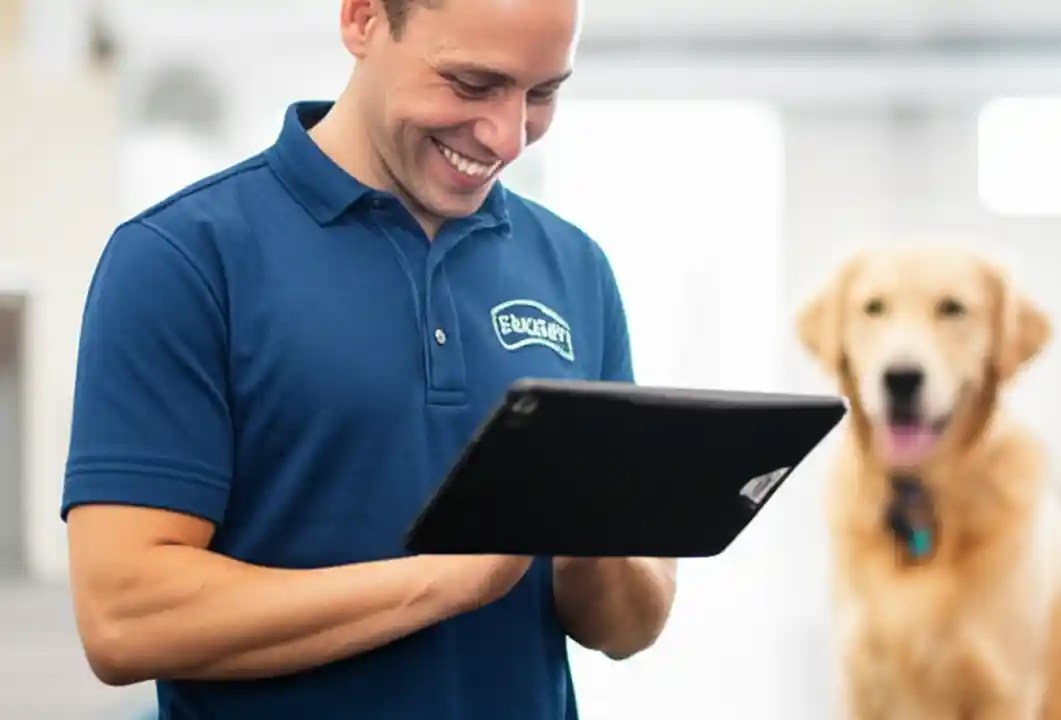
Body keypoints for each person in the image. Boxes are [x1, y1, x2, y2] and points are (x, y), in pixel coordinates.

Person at [60, 0, 677, 717]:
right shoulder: (183, 259)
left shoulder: (574, 267)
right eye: (472, 84)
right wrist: (447, 582)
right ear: (361, 20)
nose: (507, 136)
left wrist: (593, 548)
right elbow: (124, 619)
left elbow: (632, 627)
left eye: (542, 93)